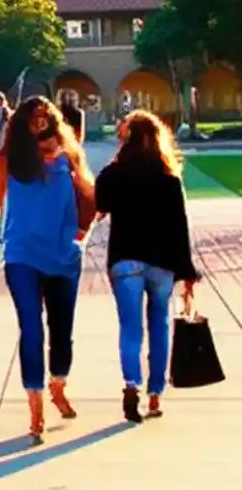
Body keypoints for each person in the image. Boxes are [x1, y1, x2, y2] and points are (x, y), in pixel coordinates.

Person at [0, 96, 95, 442]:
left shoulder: (69, 157)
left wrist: (81, 232)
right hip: (21, 256)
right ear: (22, 124)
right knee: (31, 329)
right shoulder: (6, 162)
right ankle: (35, 405)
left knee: (62, 331)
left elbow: (91, 196)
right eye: (34, 118)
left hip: (63, 256)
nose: (40, 123)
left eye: (46, 117)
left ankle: (58, 385)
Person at [95, 110, 200, 423]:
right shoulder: (169, 179)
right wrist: (187, 273)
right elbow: (180, 228)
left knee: (130, 328)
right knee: (160, 326)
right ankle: (155, 395)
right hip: (162, 263)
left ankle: (131, 384)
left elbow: (100, 205)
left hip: (125, 259)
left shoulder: (113, 174)